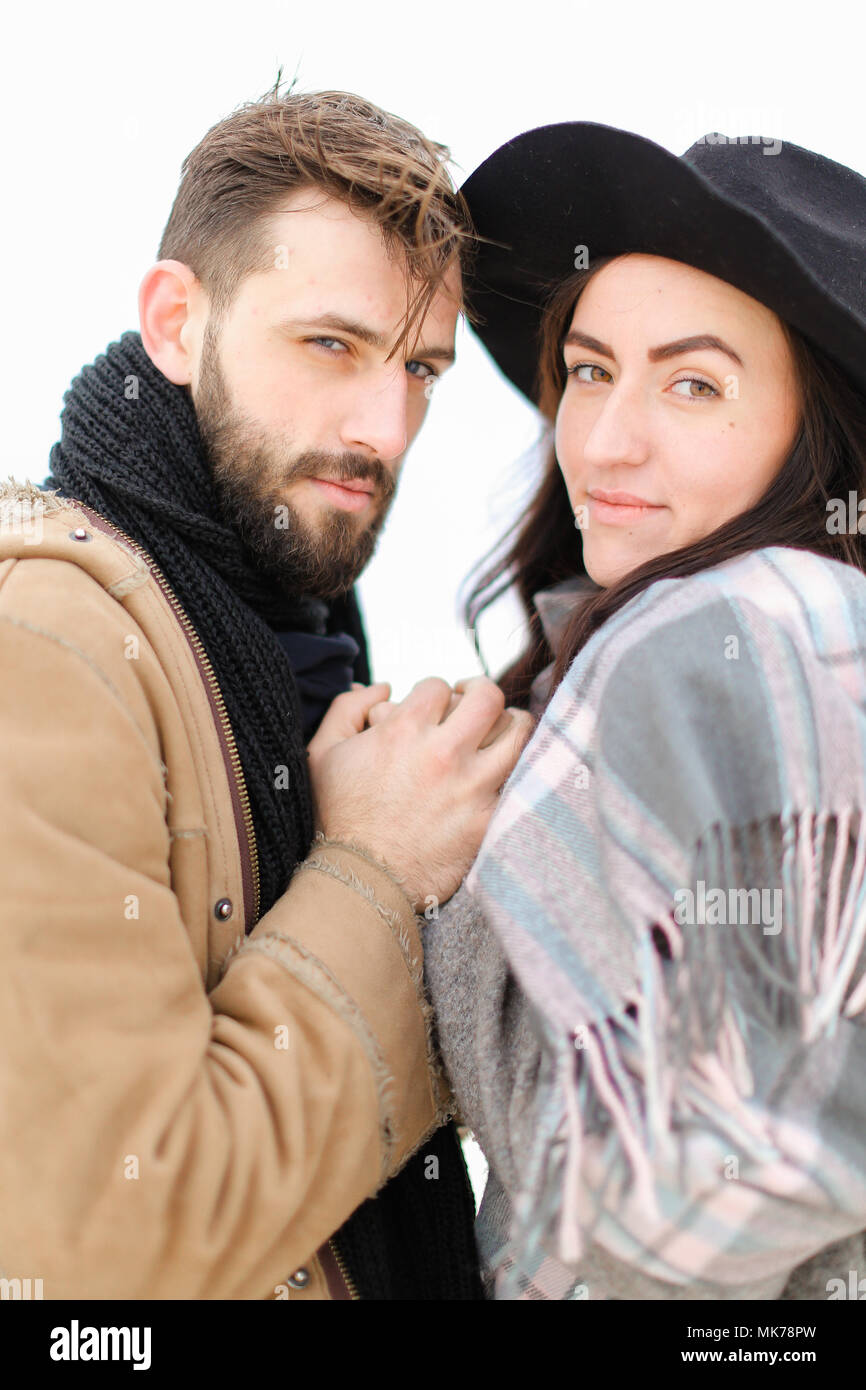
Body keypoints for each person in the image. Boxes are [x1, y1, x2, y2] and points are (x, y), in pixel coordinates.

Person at [0, 84, 533, 1301]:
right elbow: (118, 1236)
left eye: (422, 371)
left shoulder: (297, 649)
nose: (383, 426)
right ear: (175, 322)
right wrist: (379, 875)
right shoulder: (43, 648)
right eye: (331, 345)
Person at [406, 122, 866, 1298]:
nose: (603, 439)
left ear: (814, 427)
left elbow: (775, 1133)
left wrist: (418, 888)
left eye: (693, 383)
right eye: (592, 369)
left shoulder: (729, 625)